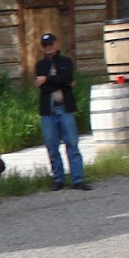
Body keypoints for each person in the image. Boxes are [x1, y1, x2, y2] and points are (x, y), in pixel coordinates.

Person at [35, 32, 90, 190]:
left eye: (51, 44)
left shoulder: (66, 62)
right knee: (52, 146)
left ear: (56, 44)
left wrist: (49, 79)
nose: (48, 48)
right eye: (45, 45)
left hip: (65, 107)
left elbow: (67, 78)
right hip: (48, 109)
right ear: (42, 47)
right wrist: (60, 82)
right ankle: (58, 179)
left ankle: (77, 179)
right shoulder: (40, 65)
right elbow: (45, 86)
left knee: (72, 143)